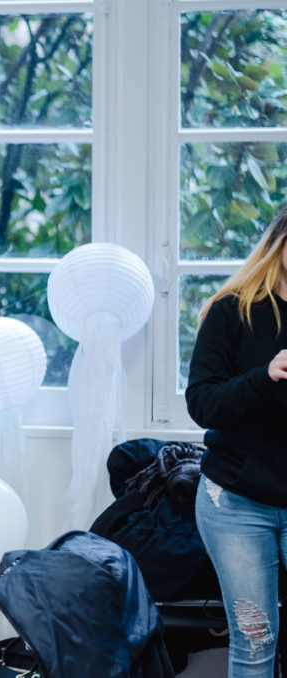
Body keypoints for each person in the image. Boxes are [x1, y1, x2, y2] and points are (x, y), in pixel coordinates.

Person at [186, 203, 287, 678]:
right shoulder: (233, 310)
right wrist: (265, 376)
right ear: (279, 242)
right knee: (255, 641)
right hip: (237, 503)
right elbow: (203, 404)